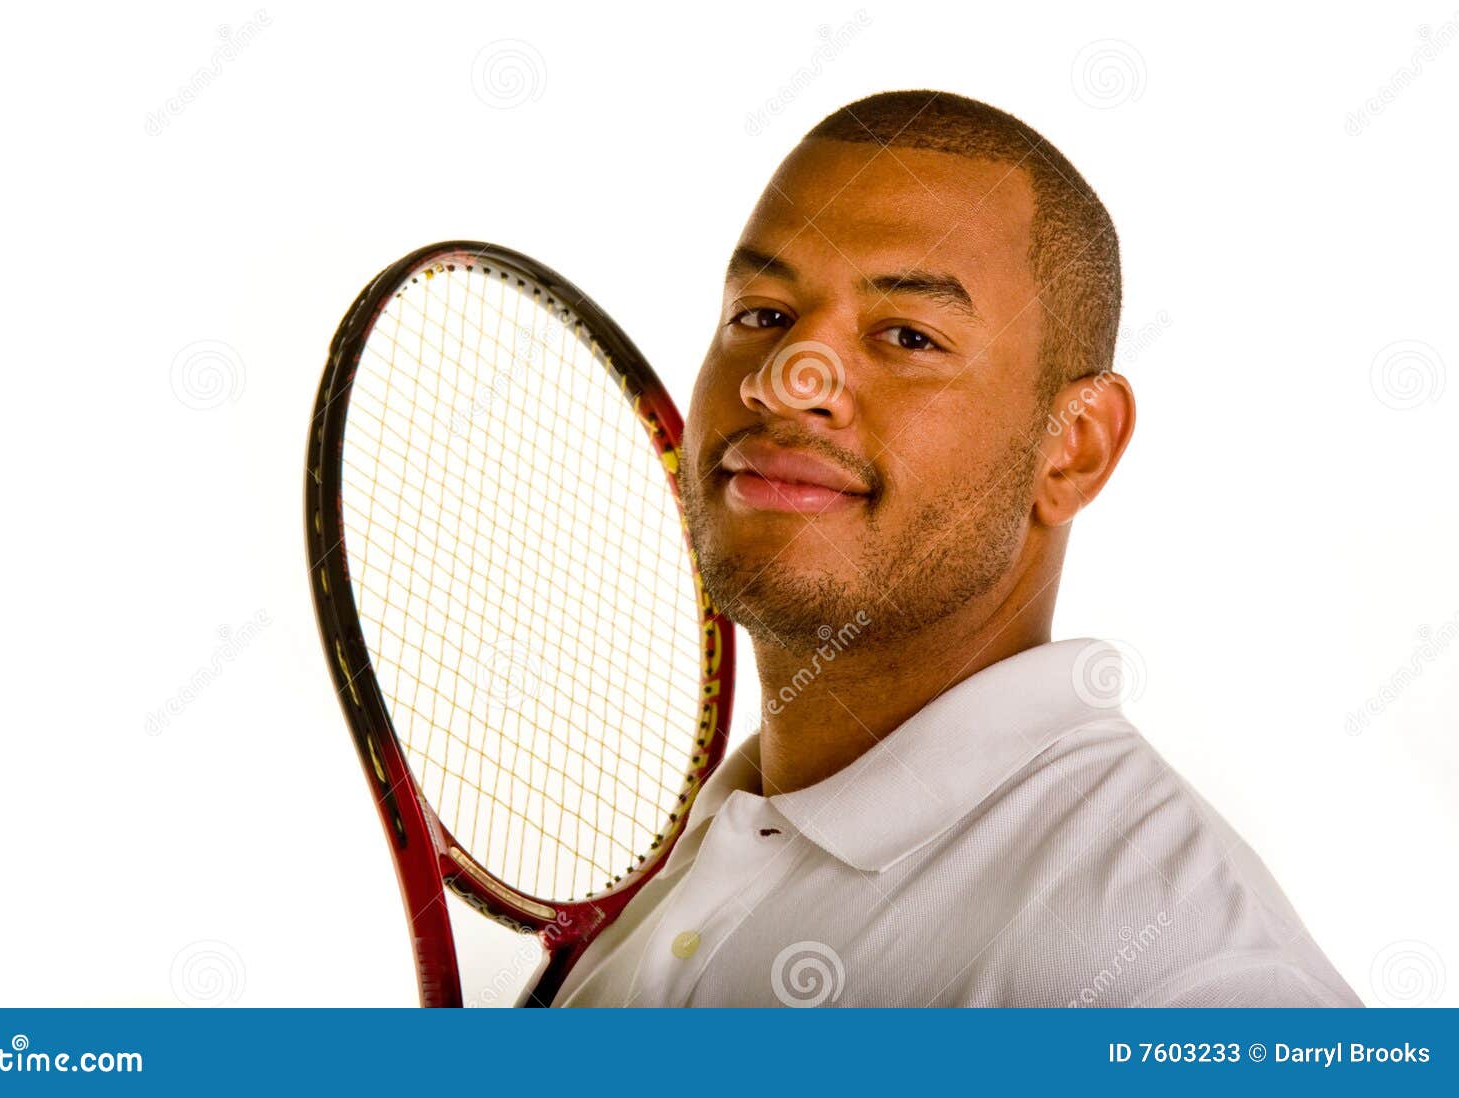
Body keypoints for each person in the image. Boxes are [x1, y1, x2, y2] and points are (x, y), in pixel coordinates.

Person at [554, 90, 1359, 1007]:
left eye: (908, 336)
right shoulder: (707, 865)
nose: (787, 380)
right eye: (762, 314)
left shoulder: (1188, 981)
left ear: (1076, 445)